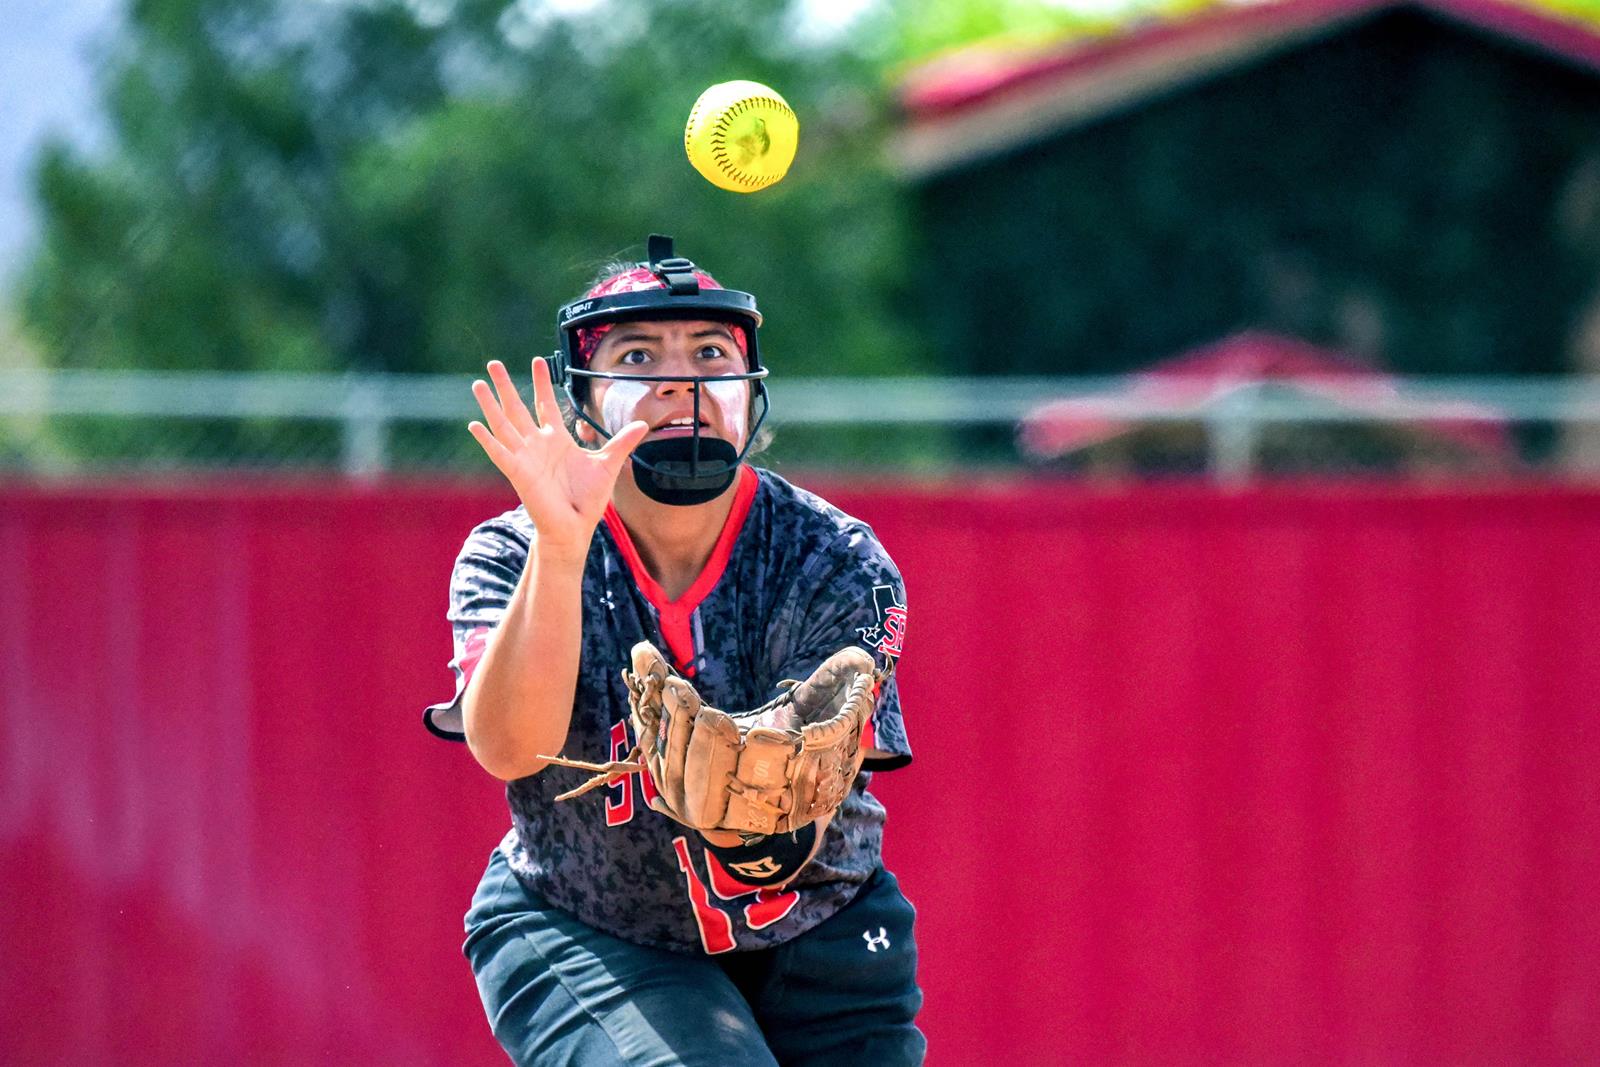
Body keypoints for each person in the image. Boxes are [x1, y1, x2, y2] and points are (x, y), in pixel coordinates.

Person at [422, 235, 924, 1066]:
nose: (678, 377)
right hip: (587, 923)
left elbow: (796, 823)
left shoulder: (835, 556)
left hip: (823, 928)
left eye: (710, 351)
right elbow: (508, 747)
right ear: (585, 398)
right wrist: (559, 544)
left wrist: (753, 786)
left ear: (748, 389)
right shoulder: (511, 551)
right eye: (638, 352)